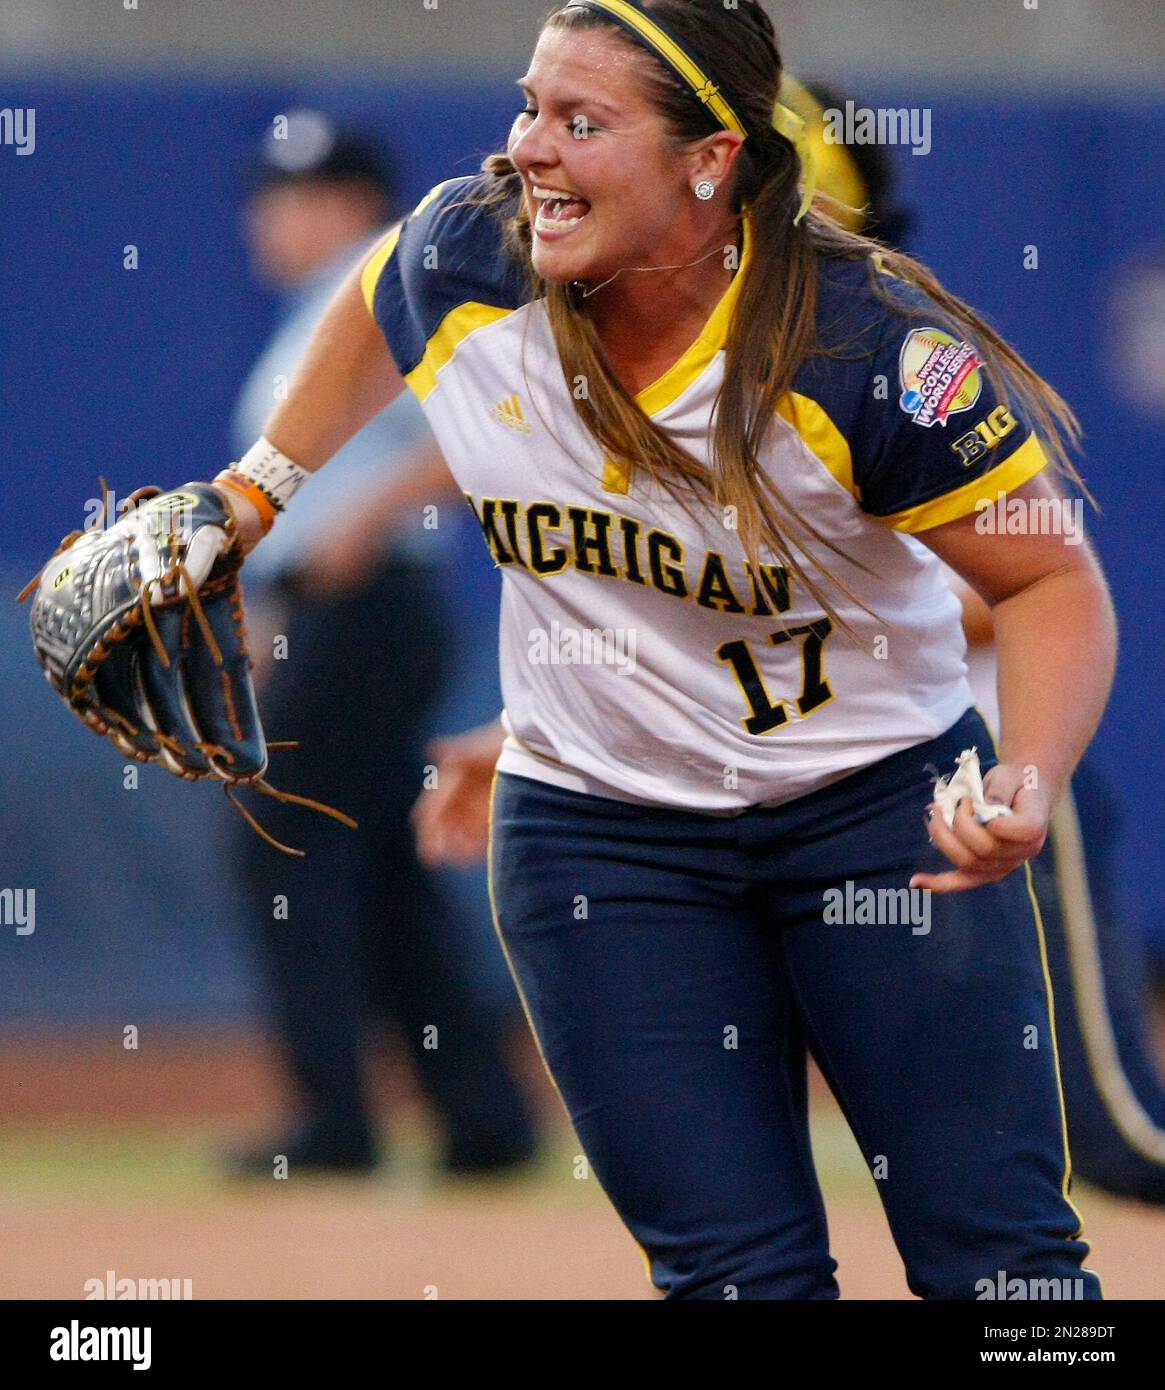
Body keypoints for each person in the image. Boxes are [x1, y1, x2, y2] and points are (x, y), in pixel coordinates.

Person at [194, 0, 1116, 1297]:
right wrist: (252, 496)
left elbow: (1049, 581)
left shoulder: (866, 355)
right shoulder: (474, 260)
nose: (529, 149)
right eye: (527, 108)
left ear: (709, 161)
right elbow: (380, 277)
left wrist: (1028, 770)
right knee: (735, 1277)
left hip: (876, 812)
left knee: (1003, 1271)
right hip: (603, 841)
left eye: (582, 121)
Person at [420, 70, 1165, 1209]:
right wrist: (521, 728)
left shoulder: (892, 362)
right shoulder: (687, 371)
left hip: (973, 786)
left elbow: (1015, 587)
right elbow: (702, 623)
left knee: (1102, 1149)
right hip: (815, 799)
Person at [226, 108, 537, 1178]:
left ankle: (333, 1120)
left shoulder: (394, 286)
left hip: (369, 606)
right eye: (270, 195)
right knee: (380, 863)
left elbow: (488, 430)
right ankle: (484, 1117)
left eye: (297, 195)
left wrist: (364, 523)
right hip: (326, 611)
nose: (271, 217)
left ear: (355, 204)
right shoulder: (311, 312)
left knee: (282, 839)